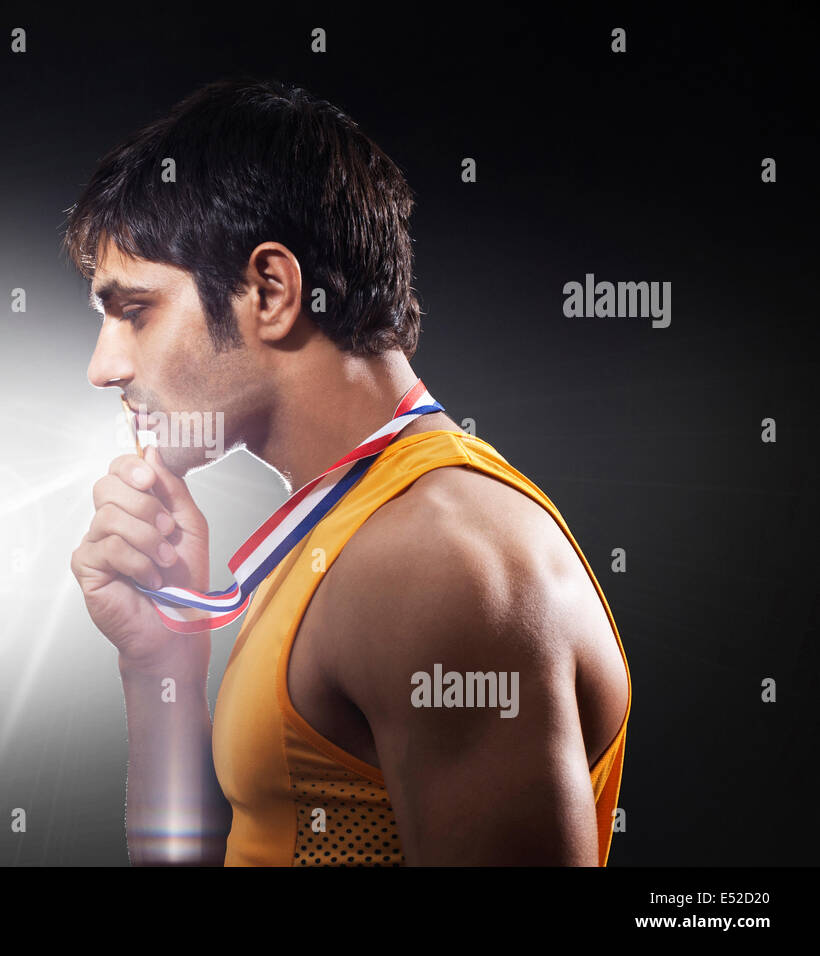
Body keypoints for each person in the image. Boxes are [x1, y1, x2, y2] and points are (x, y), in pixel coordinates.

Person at [66, 76, 631, 866]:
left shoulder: (435, 556)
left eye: (134, 311)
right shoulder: (345, 531)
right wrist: (158, 663)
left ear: (270, 291)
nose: (104, 368)